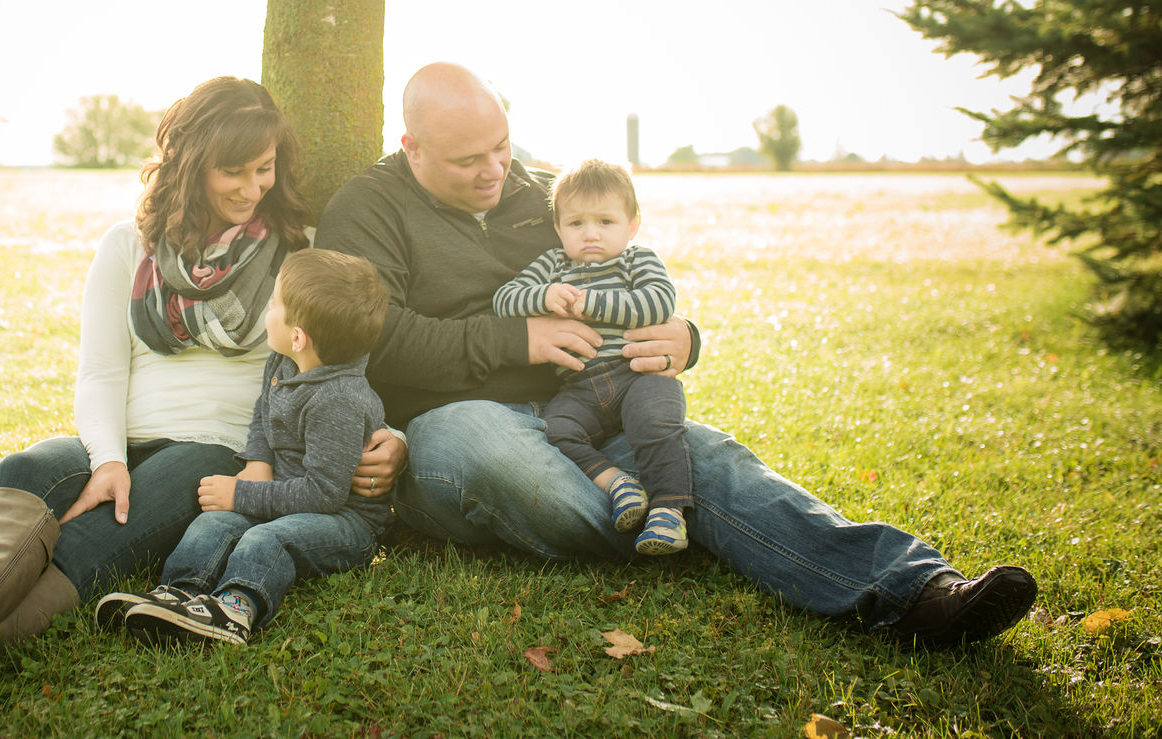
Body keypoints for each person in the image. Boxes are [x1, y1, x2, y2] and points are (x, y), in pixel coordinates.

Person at [316, 61, 1038, 648]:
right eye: (468, 159)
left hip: (582, 407)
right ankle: (677, 517)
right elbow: (372, 337)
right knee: (496, 447)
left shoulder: (539, 194)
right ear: (412, 147)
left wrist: (684, 337)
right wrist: (517, 336)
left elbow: (629, 272)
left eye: (502, 145)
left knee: (705, 451)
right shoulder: (368, 208)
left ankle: (915, 590)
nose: (494, 169)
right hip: (447, 430)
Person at [0, 77, 399, 726]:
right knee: (28, 466)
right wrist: (107, 458)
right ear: (192, 165)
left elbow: (342, 368)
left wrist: (394, 436)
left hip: (217, 447)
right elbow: (102, 372)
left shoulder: (297, 255)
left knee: (100, 525)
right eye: (233, 171)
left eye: (264, 168)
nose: (252, 189)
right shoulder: (127, 246)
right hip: (122, 433)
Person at [95, 248, 392, 646]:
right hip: (284, 492)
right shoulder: (284, 362)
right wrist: (258, 462)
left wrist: (243, 495)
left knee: (265, 540)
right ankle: (179, 595)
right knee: (215, 521)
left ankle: (235, 608)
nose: (266, 310)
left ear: (298, 337)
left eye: (274, 305)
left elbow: (324, 494)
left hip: (345, 521)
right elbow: (263, 416)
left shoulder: (339, 401)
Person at [493, 158, 691, 557]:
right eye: (576, 223)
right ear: (558, 228)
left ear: (632, 225)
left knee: (656, 424)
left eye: (605, 221)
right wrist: (543, 296)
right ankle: (617, 482)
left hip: (637, 375)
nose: (591, 234)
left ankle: (669, 511)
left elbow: (658, 302)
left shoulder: (637, 260)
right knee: (556, 430)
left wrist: (594, 304)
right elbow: (504, 300)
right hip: (580, 387)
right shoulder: (554, 265)